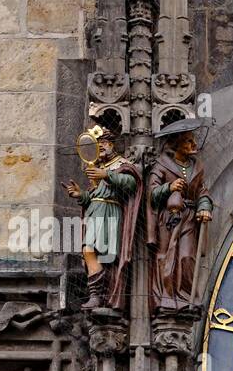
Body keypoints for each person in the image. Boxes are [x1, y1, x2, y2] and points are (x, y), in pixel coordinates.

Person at [65, 124, 143, 312]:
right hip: (95, 212)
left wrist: (107, 175)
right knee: (89, 252)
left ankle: (101, 295)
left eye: (103, 145)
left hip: (109, 213)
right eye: (97, 147)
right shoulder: (99, 168)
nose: (100, 150)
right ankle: (96, 295)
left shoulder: (121, 165)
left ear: (111, 145)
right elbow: (95, 195)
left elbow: (131, 184)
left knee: (102, 254)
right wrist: (80, 195)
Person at [148, 117, 213, 312]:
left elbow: (202, 190)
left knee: (186, 257)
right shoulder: (162, 165)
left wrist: (204, 206)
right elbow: (152, 193)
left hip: (190, 218)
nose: (194, 144)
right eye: (188, 141)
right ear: (176, 144)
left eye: (193, 140)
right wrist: (169, 187)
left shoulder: (197, 166)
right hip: (169, 218)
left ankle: (186, 296)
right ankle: (166, 297)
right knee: (167, 255)